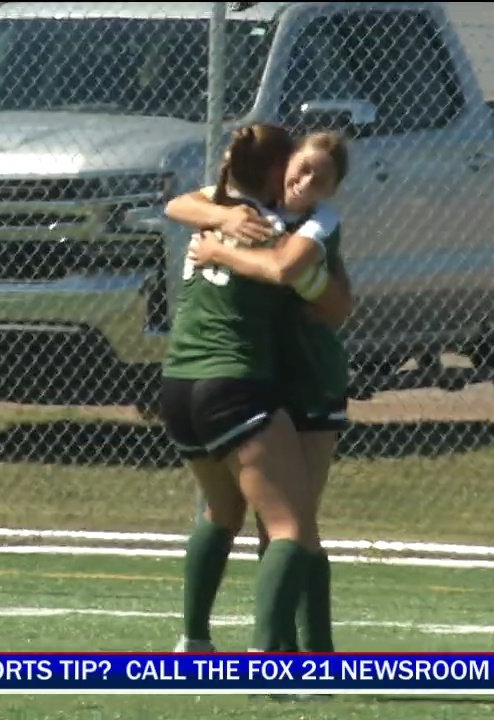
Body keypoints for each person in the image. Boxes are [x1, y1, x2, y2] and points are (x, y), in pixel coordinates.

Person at [159, 123, 335, 655]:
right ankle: (278, 658)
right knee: (290, 527)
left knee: (221, 511)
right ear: (274, 174)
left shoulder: (211, 213)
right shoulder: (278, 228)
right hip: (233, 385)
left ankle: (193, 639)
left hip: (178, 386)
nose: (301, 180)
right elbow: (311, 289)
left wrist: (217, 232)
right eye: (295, 169)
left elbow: (178, 205)